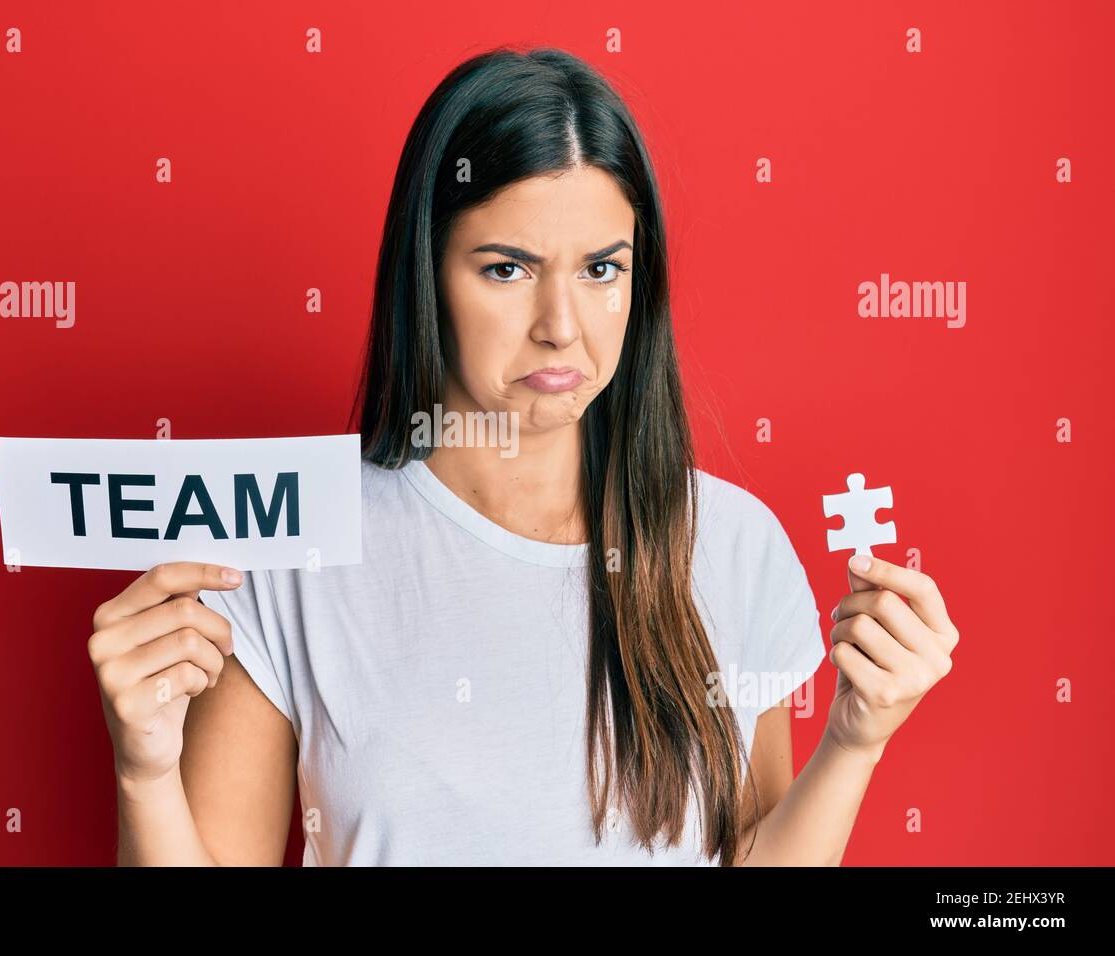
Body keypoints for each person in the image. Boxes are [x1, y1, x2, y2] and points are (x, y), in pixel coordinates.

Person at [89, 46, 959, 866]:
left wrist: (854, 740)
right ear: (426, 274)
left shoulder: (733, 545)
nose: (561, 325)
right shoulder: (291, 548)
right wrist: (144, 773)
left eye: (601, 269)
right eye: (506, 269)